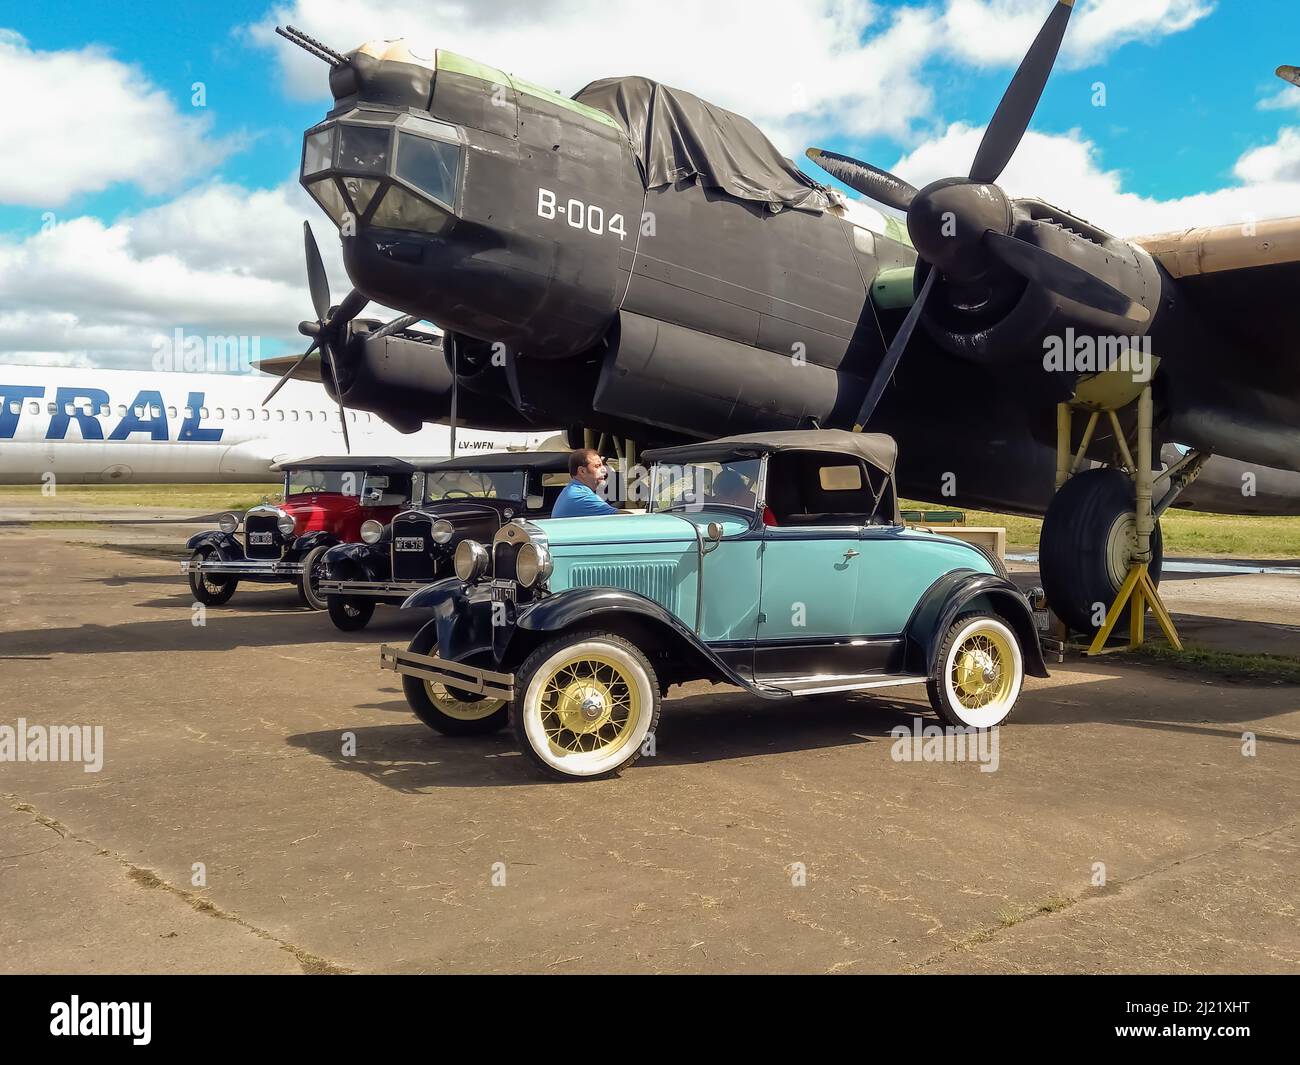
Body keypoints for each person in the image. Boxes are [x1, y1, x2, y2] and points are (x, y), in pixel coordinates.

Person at [553, 448, 619, 517]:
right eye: (597, 466)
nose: (604, 470)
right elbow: (624, 517)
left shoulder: (574, 490)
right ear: (582, 471)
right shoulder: (582, 496)